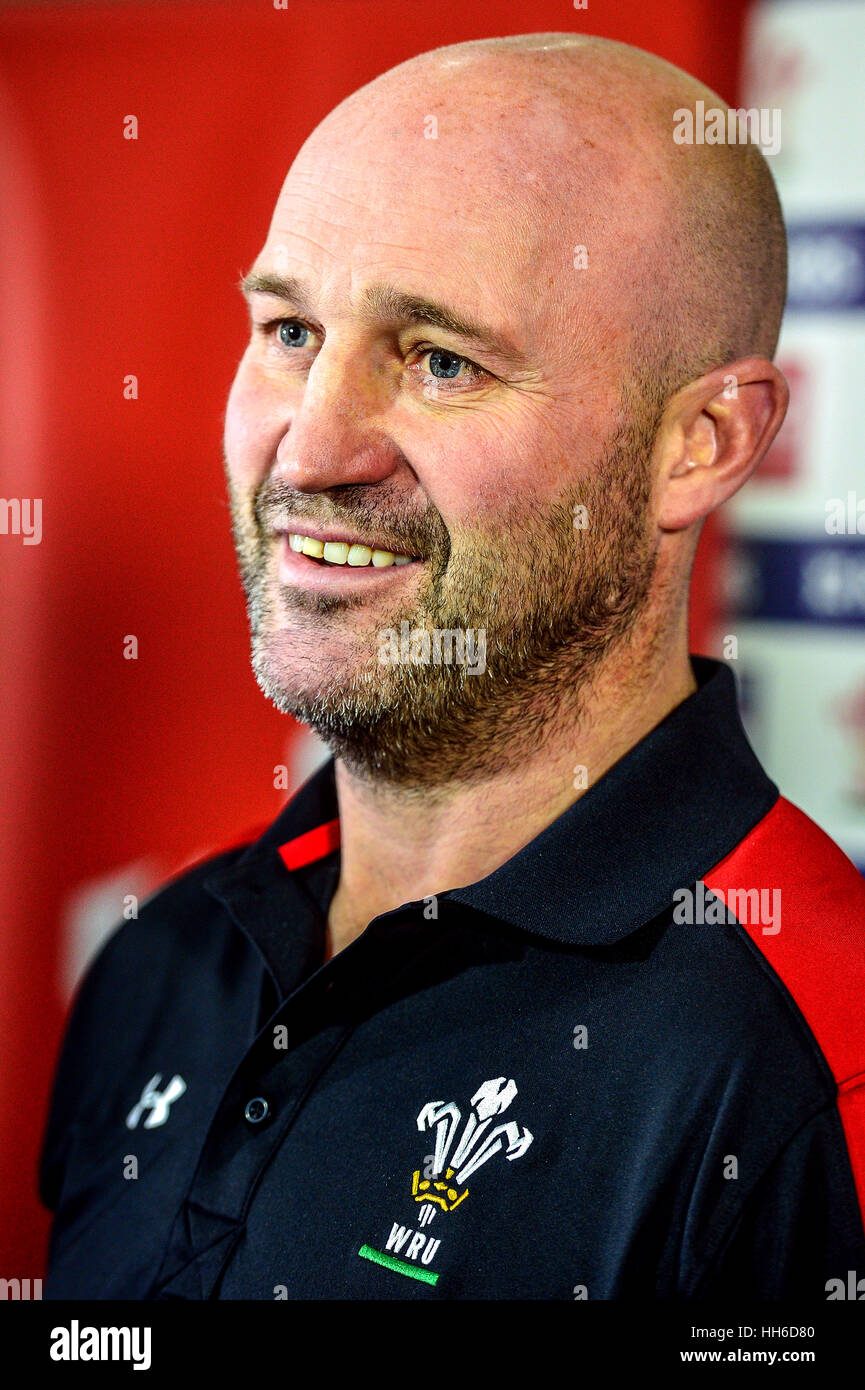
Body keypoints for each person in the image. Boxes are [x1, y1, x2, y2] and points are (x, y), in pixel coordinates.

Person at [40, 32, 865, 1300]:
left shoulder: (817, 1070)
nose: (309, 453)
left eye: (439, 360)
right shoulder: (166, 958)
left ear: (697, 444)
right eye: (290, 329)